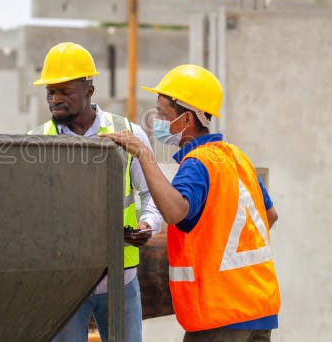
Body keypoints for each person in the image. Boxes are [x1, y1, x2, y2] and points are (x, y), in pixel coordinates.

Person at [101, 64, 281, 342]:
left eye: (163, 114)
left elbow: (175, 212)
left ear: (186, 120)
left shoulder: (198, 164)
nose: (157, 121)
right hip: (258, 310)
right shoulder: (235, 157)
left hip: (220, 316)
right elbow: (269, 215)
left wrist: (143, 154)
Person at [28, 42, 163, 342]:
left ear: (89, 90)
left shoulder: (128, 133)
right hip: (63, 284)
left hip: (119, 281)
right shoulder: (35, 142)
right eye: (51, 91)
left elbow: (151, 193)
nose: (55, 99)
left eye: (65, 90)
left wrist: (148, 225)